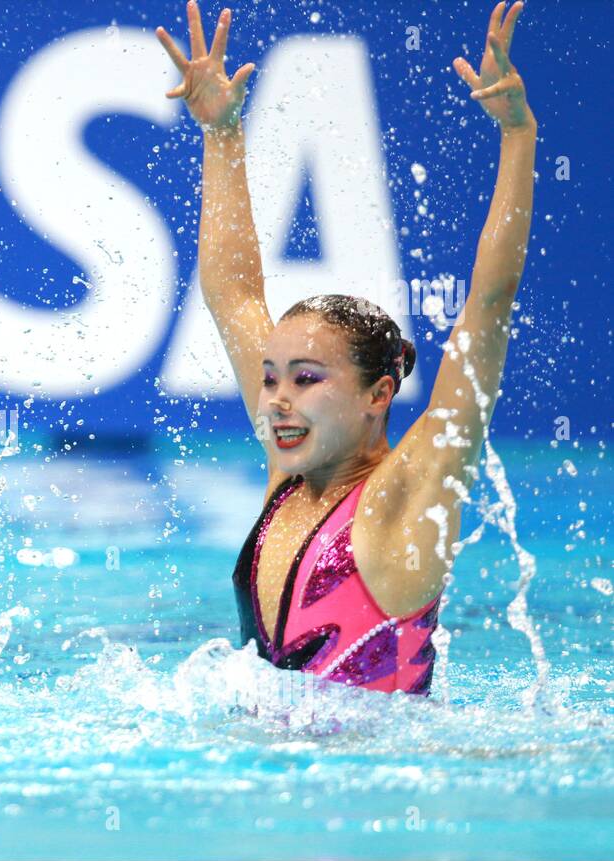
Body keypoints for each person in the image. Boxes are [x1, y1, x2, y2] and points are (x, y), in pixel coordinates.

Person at [155, 1, 535, 693]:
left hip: (381, 784)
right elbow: (232, 293)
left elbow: (488, 305)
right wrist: (222, 133)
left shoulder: (408, 494)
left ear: (377, 395)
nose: (275, 401)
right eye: (270, 378)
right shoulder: (289, 475)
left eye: (305, 379)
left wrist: (516, 137)